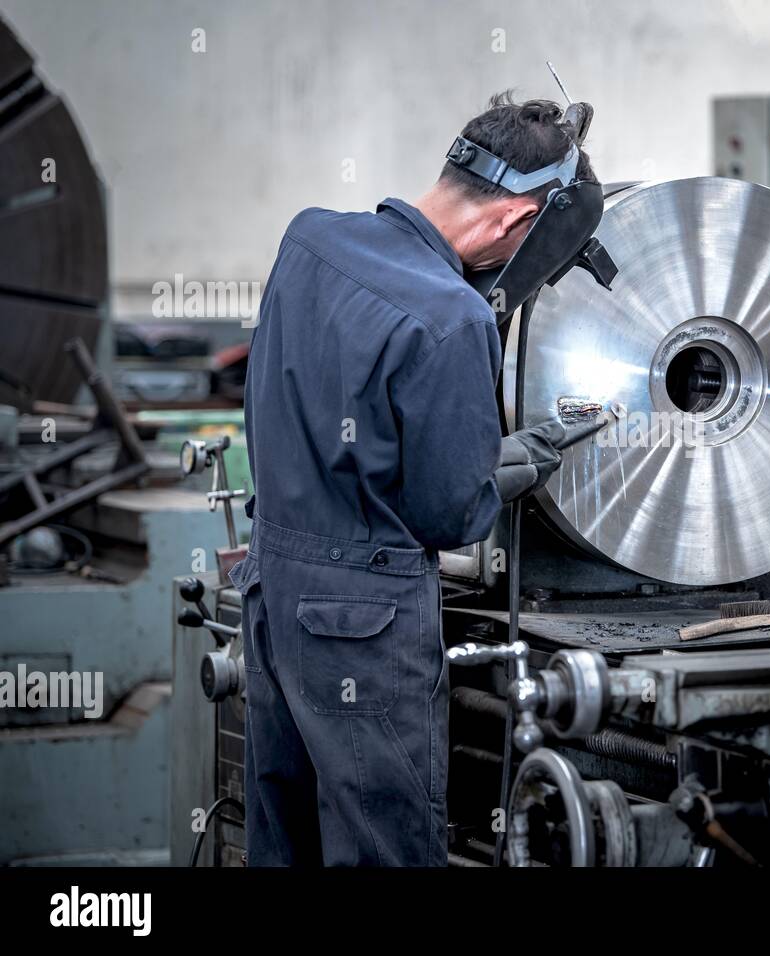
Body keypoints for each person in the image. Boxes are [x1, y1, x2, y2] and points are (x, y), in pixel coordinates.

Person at [228, 93, 597, 865]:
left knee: (281, 837)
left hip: (271, 592)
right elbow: (448, 514)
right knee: (382, 848)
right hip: (361, 624)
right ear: (511, 223)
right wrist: (506, 465)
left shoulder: (309, 239)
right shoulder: (450, 316)